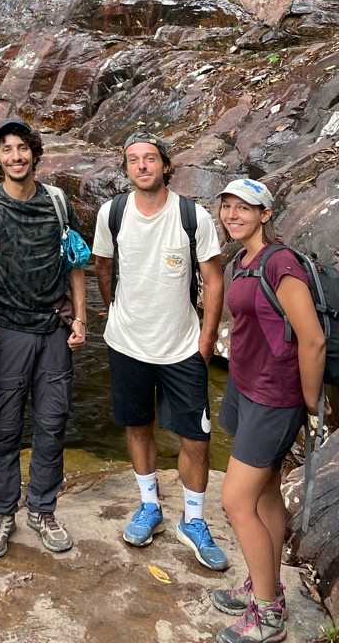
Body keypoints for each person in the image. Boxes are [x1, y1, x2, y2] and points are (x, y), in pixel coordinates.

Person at [93, 132, 228, 569]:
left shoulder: (191, 216)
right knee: (138, 424)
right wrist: (116, 312)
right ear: (127, 168)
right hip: (128, 342)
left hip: (182, 345)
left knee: (196, 436)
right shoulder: (112, 213)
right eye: (133, 160)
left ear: (165, 166)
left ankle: (193, 519)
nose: (142, 166)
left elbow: (213, 279)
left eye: (150, 159)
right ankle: (149, 505)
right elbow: (103, 266)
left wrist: (206, 341)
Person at [0, 117, 87, 558]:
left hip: (53, 327)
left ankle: (43, 509)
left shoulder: (57, 202)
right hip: (7, 332)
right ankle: (1, 511)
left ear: (34, 153)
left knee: (53, 424)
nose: (15, 156)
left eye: (22, 148)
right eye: (6, 150)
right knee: (5, 426)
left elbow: (75, 260)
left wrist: (81, 318)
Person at [211, 178, 326, 643]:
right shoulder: (243, 260)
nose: (233, 215)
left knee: (235, 501)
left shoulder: (280, 263)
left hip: (274, 397)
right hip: (246, 386)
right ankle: (266, 583)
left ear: (265, 214)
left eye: (245, 208)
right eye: (227, 207)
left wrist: (312, 402)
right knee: (265, 495)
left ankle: (269, 615)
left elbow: (313, 339)